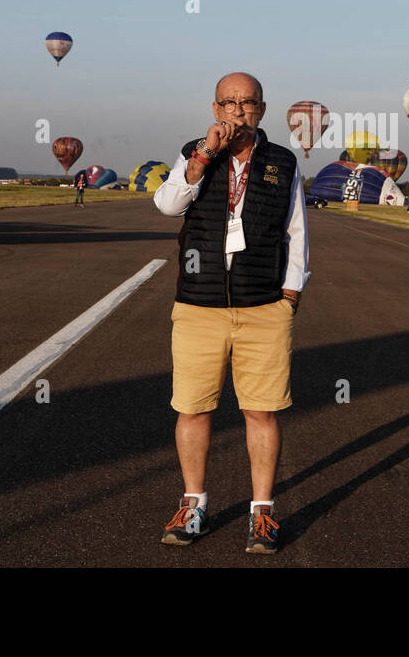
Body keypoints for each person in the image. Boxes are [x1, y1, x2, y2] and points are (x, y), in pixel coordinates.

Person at [153, 72, 309, 555]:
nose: (238, 110)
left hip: (263, 306)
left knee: (260, 411)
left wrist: (290, 296)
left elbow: (296, 230)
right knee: (193, 408)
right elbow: (166, 204)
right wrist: (204, 154)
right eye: (229, 102)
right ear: (215, 108)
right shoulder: (194, 151)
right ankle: (193, 504)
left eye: (247, 102)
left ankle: (261, 512)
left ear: (262, 109)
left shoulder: (282, 162)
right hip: (199, 305)